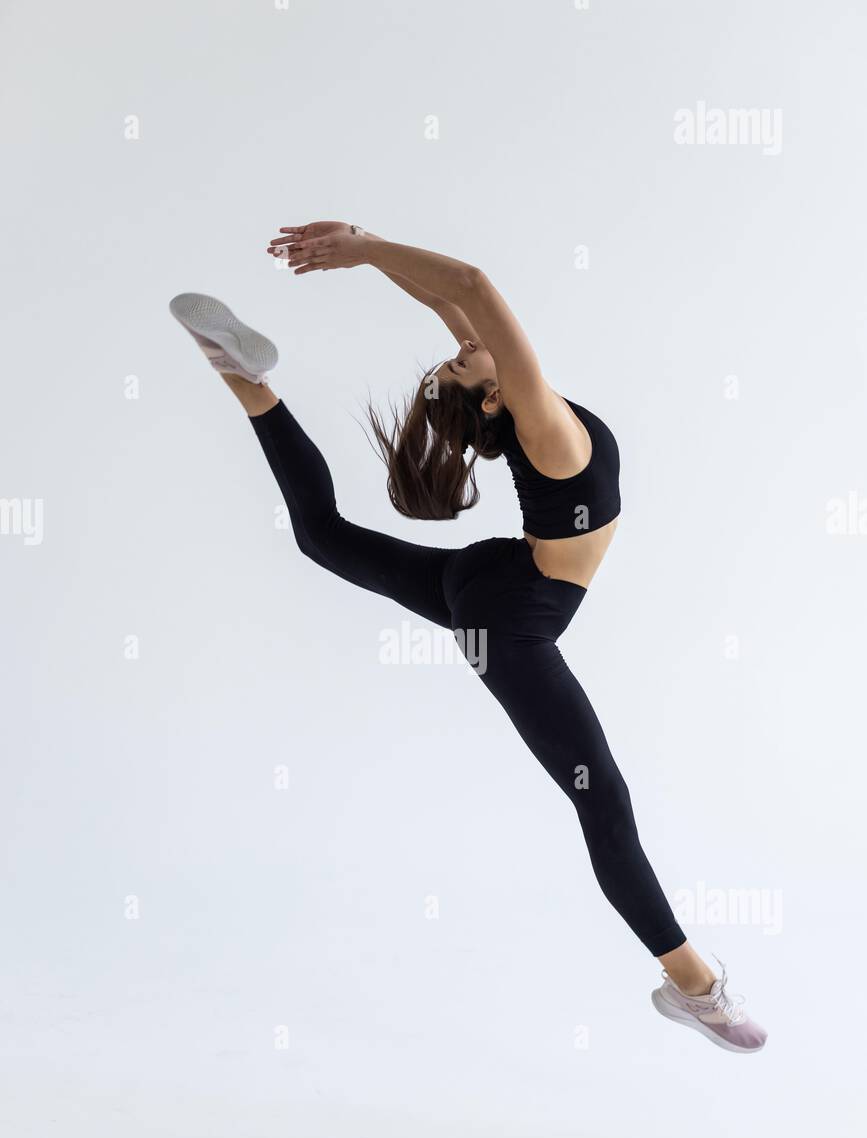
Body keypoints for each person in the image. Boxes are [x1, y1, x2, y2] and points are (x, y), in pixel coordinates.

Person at [168, 220, 767, 1054]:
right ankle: (696, 987)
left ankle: (246, 380)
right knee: (602, 801)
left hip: (487, 586)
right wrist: (364, 247)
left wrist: (373, 259)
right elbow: (473, 285)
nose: (467, 344)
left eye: (462, 354)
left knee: (323, 536)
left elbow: (455, 300)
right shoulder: (545, 429)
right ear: (492, 396)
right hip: (510, 618)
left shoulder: (523, 411)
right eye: (463, 360)